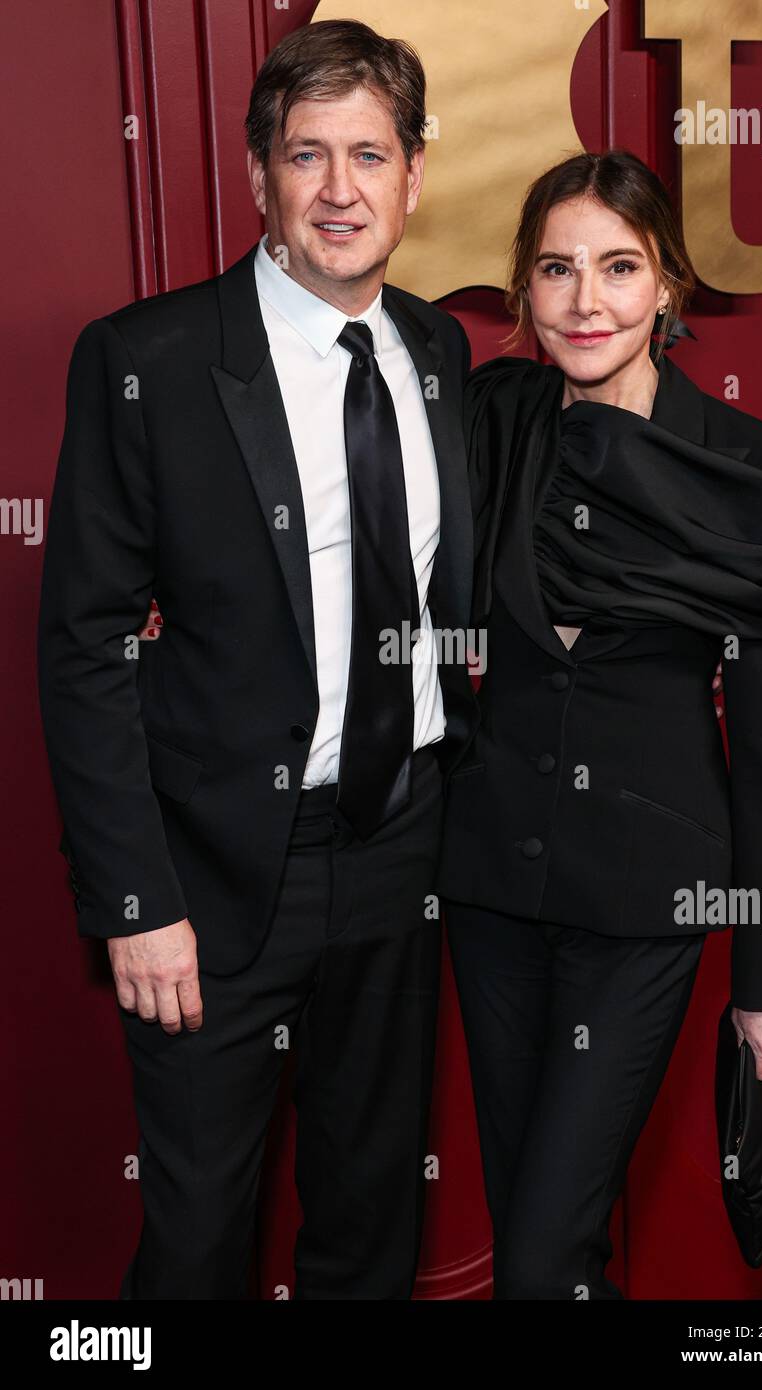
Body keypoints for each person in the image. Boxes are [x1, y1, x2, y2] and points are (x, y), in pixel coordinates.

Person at [37, 19, 476, 1300]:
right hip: (217, 882)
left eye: (370, 156)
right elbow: (85, 648)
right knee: (192, 1250)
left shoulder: (438, 353)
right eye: (306, 155)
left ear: (411, 179)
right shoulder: (147, 361)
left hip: (401, 855)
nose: (339, 191)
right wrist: (135, 901)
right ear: (257, 175)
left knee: (368, 1227)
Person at [435, 149, 762, 1300]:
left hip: (650, 898)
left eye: (617, 267)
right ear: (520, 289)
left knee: (532, 1263)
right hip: (489, 889)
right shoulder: (488, 420)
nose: (585, 300)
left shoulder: (746, 469)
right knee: (548, 1241)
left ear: (666, 283)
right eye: (556, 269)